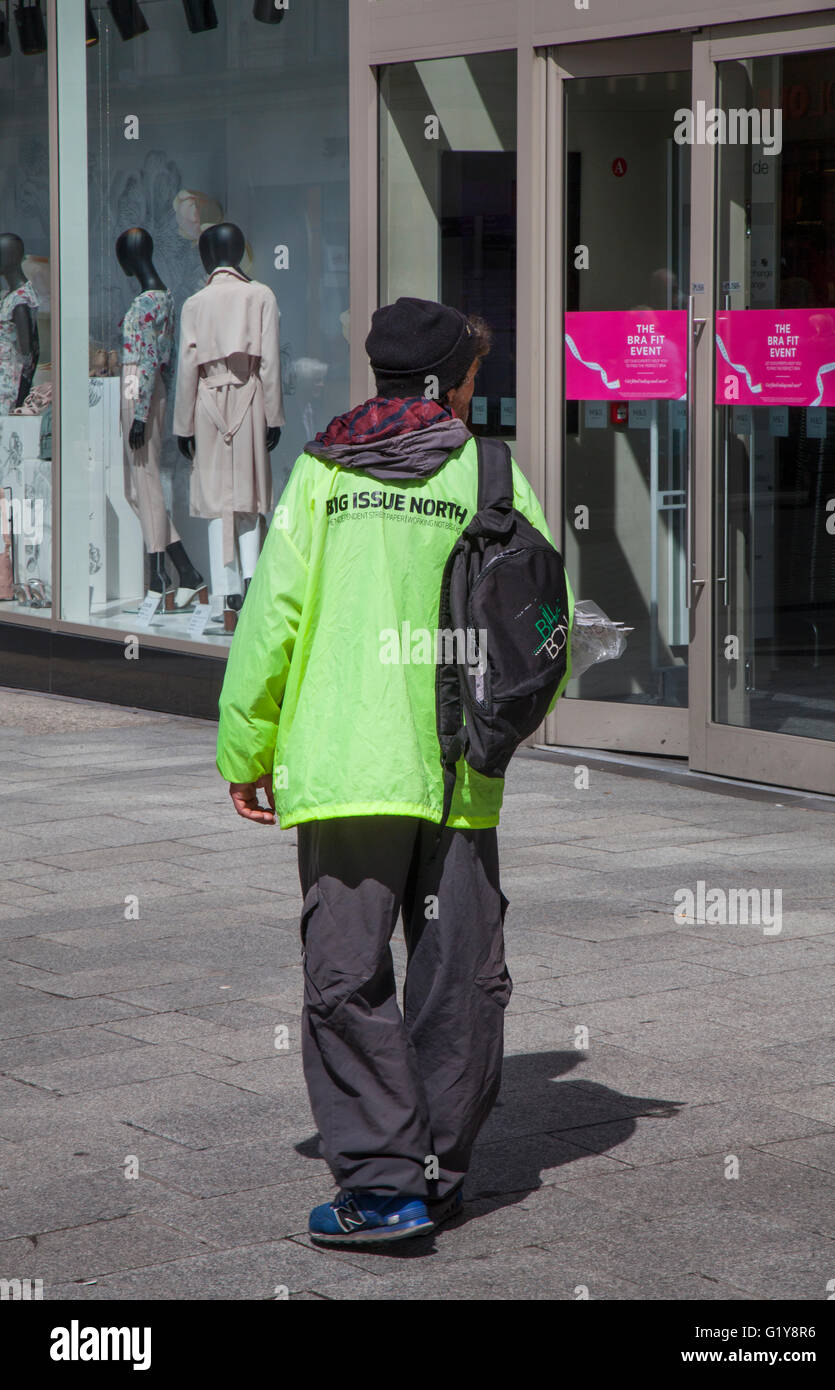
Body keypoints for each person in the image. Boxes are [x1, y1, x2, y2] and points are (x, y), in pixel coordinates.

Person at [216, 296, 572, 1245]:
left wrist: (247, 751)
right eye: (469, 378)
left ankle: (381, 1188)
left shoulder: (324, 473)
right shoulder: (490, 471)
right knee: (460, 975)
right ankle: (439, 1171)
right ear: (450, 382)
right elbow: (546, 620)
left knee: (345, 974)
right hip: (460, 774)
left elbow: (271, 623)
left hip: (344, 767)